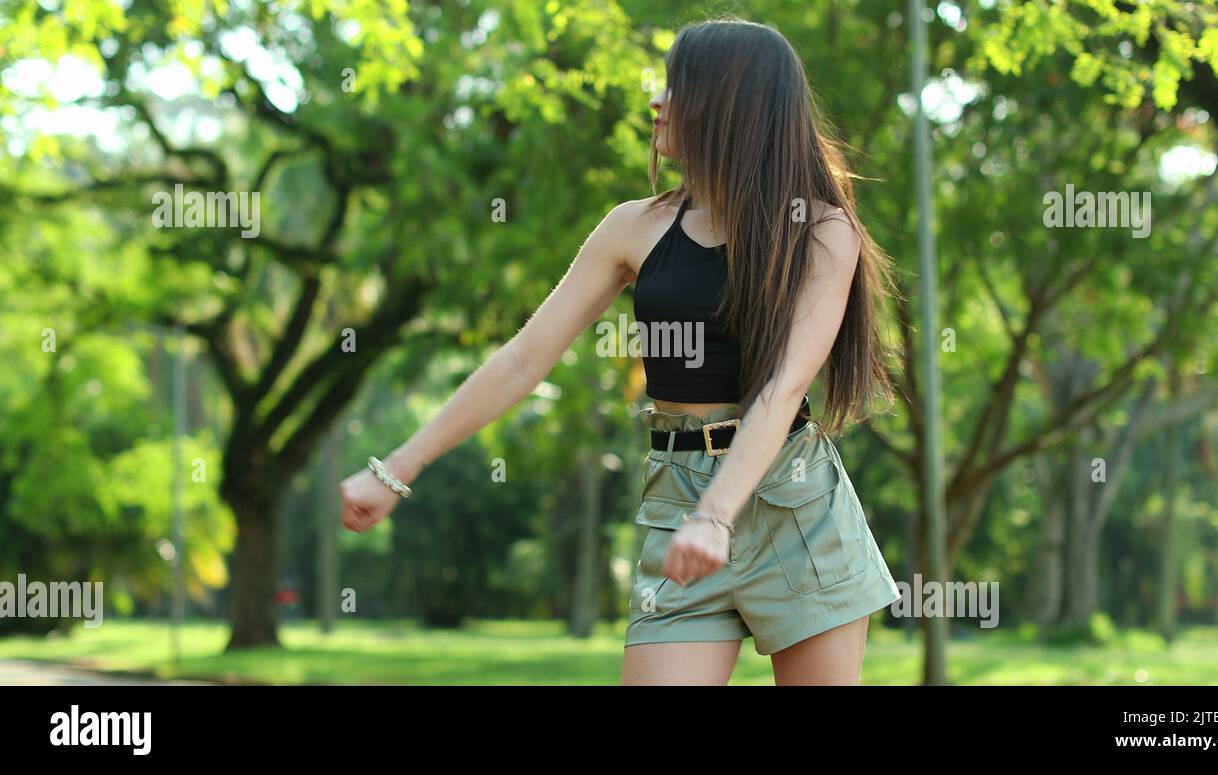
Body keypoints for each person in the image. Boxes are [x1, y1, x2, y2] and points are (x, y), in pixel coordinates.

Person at [338, 17, 904, 685]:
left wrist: (719, 513)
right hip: (677, 496)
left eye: (678, 86)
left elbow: (783, 385)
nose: (657, 101)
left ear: (731, 103)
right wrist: (396, 468)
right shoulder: (634, 227)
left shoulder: (821, 231)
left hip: (796, 504)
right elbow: (525, 358)